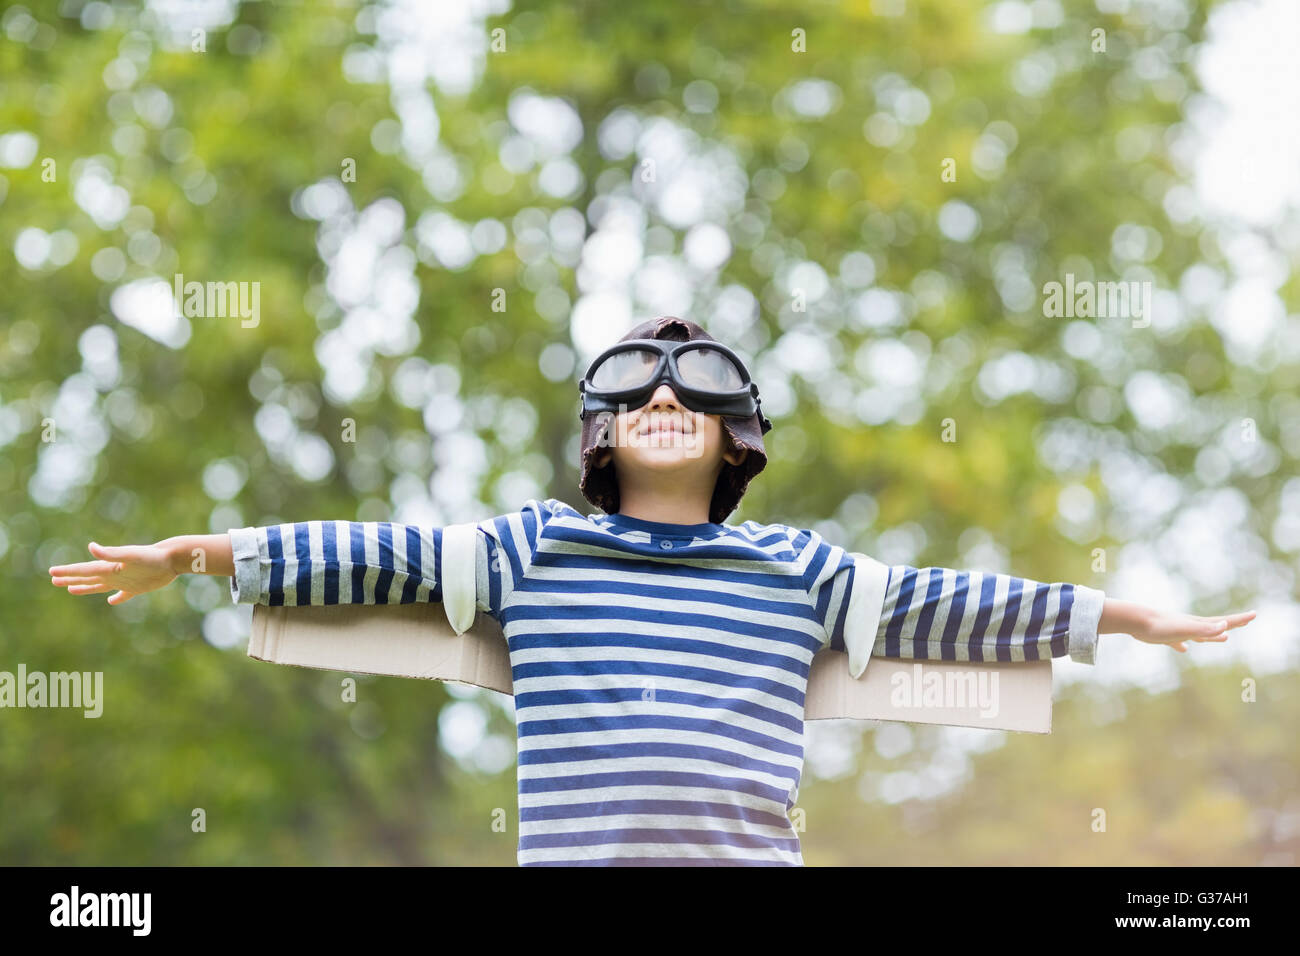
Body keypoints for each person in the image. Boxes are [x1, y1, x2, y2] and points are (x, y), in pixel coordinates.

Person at [49, 315, 1257, 866]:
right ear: (599, 438)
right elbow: (368, 552)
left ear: (739, 443)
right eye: (638, 394)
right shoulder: (529, 551)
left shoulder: (798, 572)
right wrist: (195, 551)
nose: (665, 404)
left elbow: (953, 602)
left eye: (693, 395)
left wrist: (1124, 617)